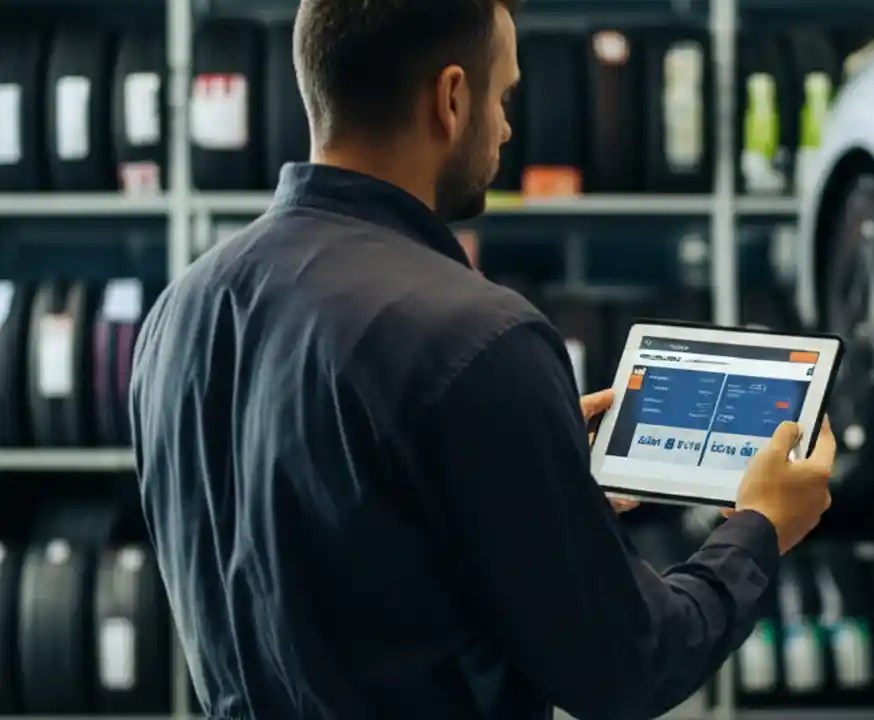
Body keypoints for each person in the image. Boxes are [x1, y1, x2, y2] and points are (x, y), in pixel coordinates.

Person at [128, 0, 836, 718]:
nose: (504, 125)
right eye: (502, 95)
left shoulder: (178, 314)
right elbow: (627, 666)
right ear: (452, 97)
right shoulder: (478, 335)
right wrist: (761, 526)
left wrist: (540, 483)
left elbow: (330, 554)